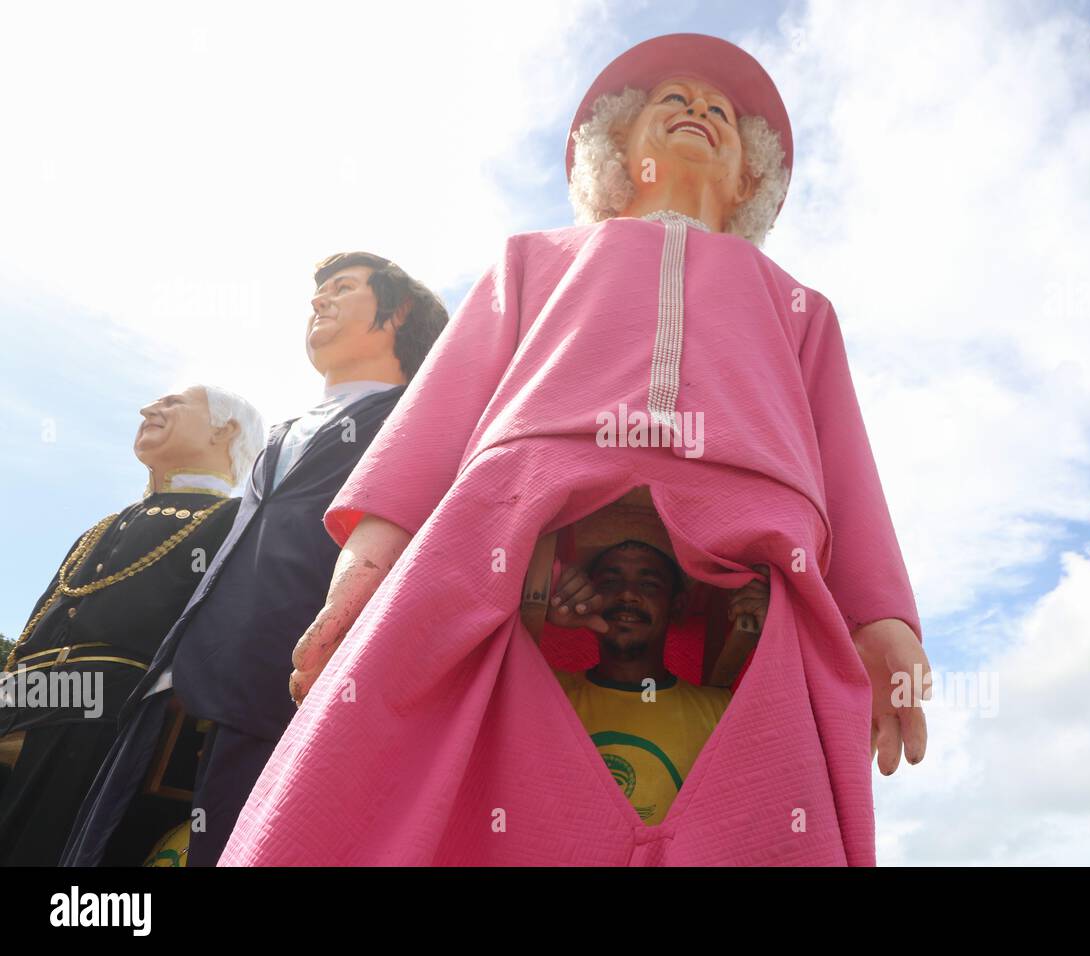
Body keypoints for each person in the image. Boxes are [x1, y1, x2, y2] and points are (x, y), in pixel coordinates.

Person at [229, 33, 930, 867]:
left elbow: (847, 471)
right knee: (405, 790)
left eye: (722, 115)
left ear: (751, 176)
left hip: (764, 557)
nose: (698, 111)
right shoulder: (528, 262)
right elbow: (432, 425)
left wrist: (881, 619)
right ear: (615, 147)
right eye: (673, 99)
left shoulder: (804, 309)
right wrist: (366, 571)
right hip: (510, 520)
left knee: (769, 808)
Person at [59, 253, 447, 866]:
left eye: (343, 289)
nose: (319, 302)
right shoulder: (280, 431)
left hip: (282, 695)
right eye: (318, 292)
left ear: (398, 312)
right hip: (171, 688)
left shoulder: (424, 419)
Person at [0, 384, 262, 865]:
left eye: (173, 404)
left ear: (224, 429)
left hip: (107, 720)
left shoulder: (239, 522)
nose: (149, 409)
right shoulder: (102, 526)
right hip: (18, 702)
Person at [546, 520, 770, 827]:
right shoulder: (546, 695)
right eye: (610, 582)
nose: (628, 595)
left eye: (649, 584)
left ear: (677, 607)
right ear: (588, 597)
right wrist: (541, 598)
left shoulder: (721, 713)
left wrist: (781, 625)